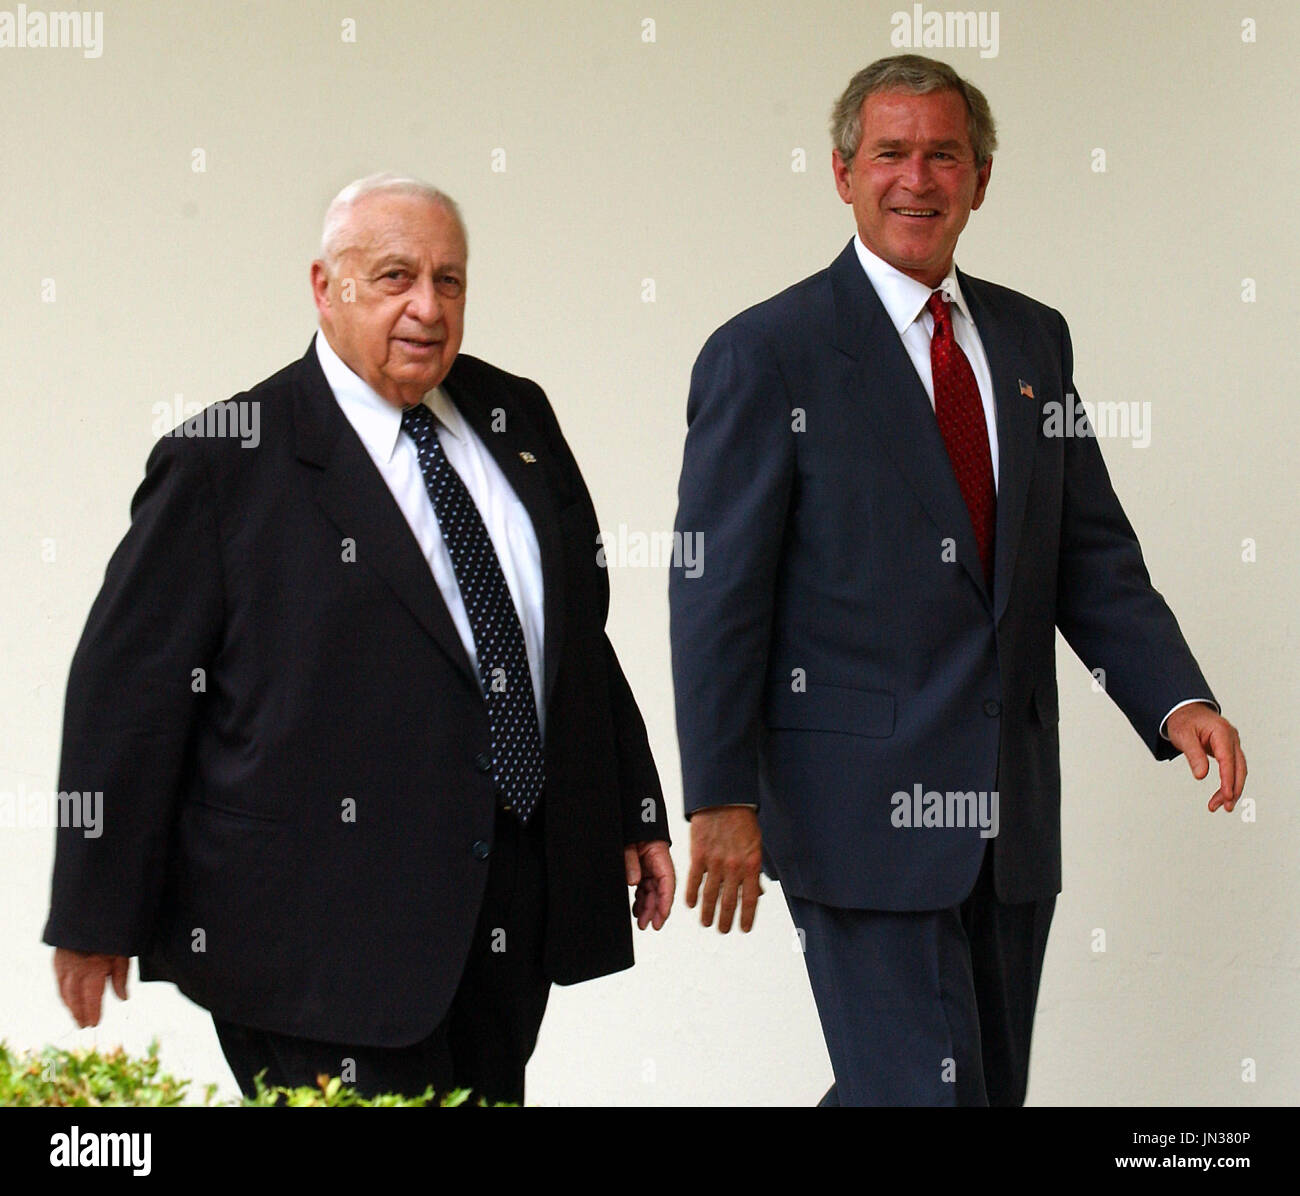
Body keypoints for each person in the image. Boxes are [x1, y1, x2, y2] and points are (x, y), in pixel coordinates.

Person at [668, 56, 1245, 1106]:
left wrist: (1176, 695)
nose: (917, 178)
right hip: (854, 816)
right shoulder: (768, 352)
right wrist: (717, 792)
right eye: (890, 152)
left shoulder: (1033, 339)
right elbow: (715, 593)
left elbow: (1087, 552)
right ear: (842, 173)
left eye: (944, 154)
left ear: (982, 179)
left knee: (973, 1090)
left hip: (1010, 817)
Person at [43, 172, 674, 1105]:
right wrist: (96, 909)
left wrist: (630, 806)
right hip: (309, 933)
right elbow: (127, 693)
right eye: (394, 278)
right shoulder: (227, 458)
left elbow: (576, 632)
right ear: (323, 286)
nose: (426, 307)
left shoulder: (516, 414)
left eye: (449, 281)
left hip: (501, 914)